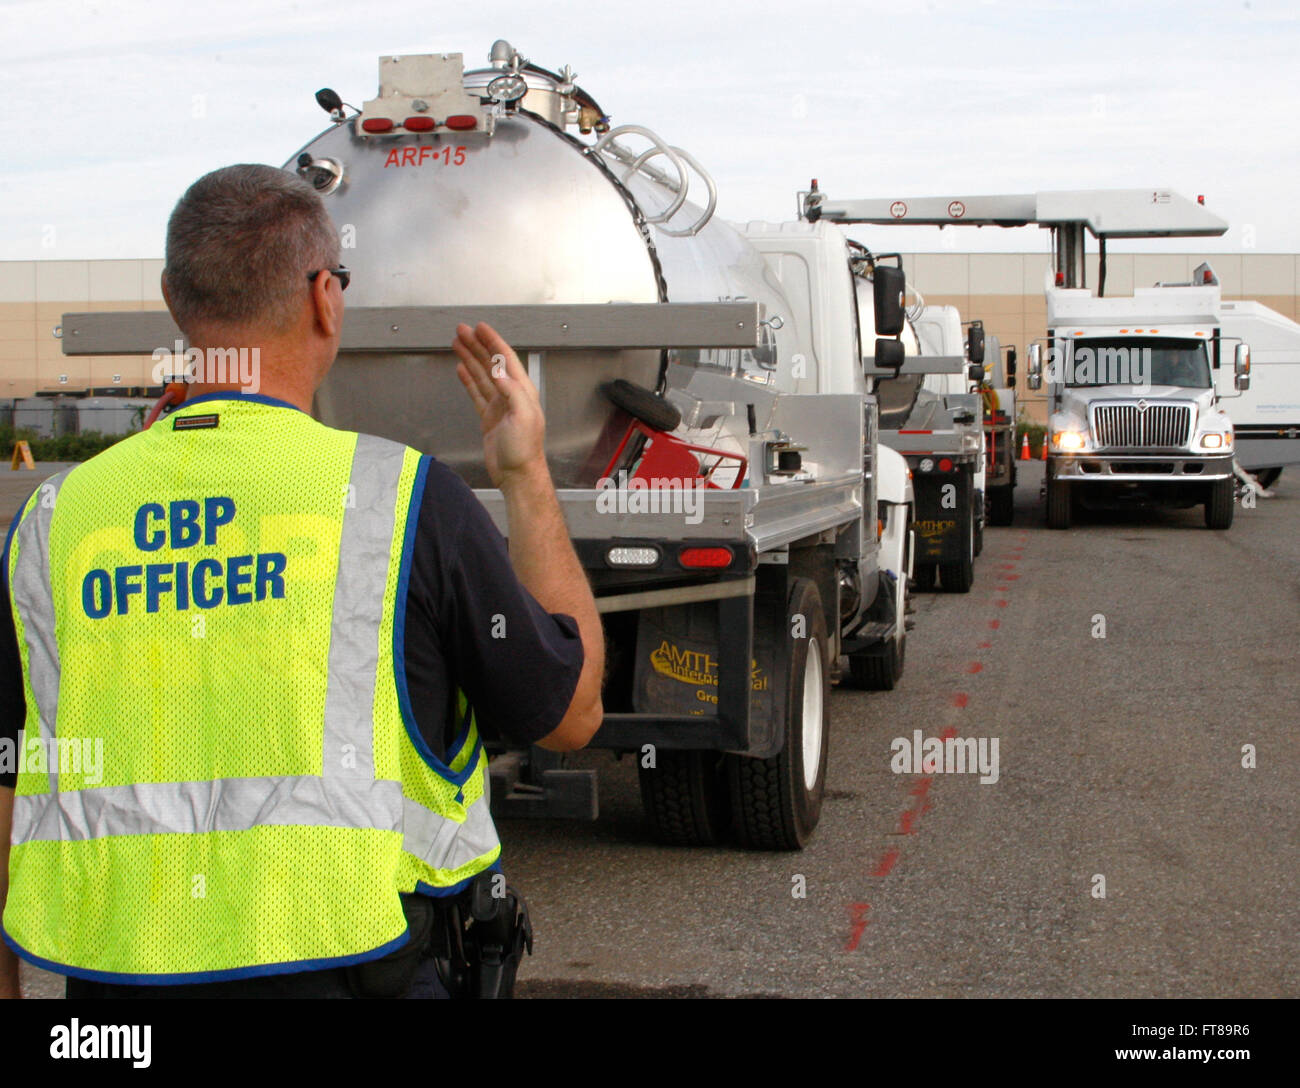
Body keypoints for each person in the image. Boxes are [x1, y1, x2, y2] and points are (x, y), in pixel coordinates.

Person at [0, 163, 604, 998]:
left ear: (176, 302)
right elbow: (572, 716)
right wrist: (526, 471)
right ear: (326, 296)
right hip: (356, 971)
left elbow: (10, 774)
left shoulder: (53, 522)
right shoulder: (402, 501)